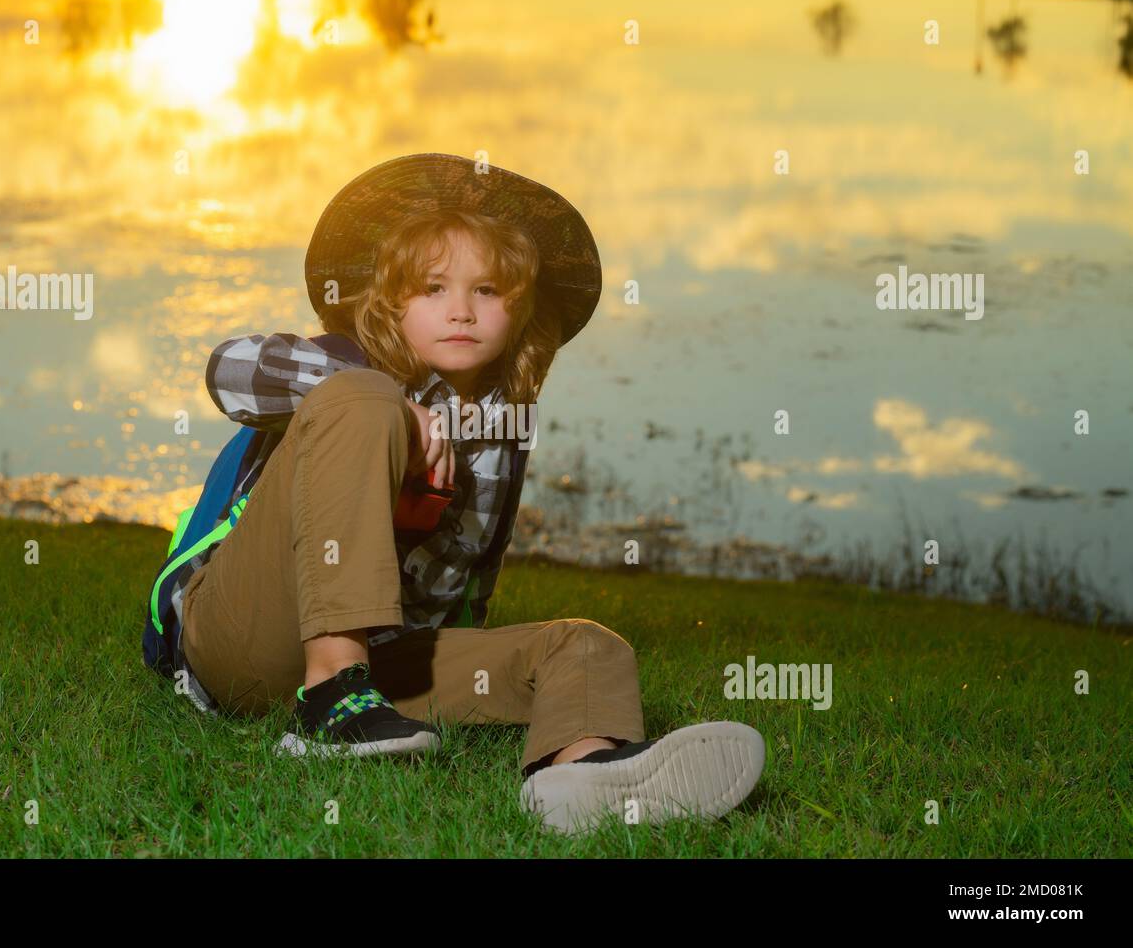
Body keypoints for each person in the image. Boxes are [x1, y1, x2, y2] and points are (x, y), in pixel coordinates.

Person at [175, 153, 765, 834]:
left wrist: (479, 674)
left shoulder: (502, 433)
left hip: (387, 666)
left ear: (522, 312)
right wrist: (393, 405)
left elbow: (467, 590)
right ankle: (330, 697)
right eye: (433, 289)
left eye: (486, 291)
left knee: (584, 643)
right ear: (392, 302)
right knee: (362, 403)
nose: (460, 311)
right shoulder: (349, 367)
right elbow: (227, 371)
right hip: (245, 643)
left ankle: (581, 772)